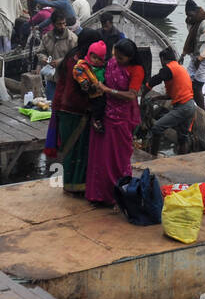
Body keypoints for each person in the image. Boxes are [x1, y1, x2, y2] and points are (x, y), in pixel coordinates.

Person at [85, 38, 143, 206]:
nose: (117, 61)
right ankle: (99, 195)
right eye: (115, 56)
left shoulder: (136, 69)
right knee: (100, 157)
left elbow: (132, 95)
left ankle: (117, 193)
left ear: (130, 57)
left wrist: (108, 90)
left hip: (122, 118)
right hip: (105, 113)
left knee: (118, 159)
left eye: (121, 58)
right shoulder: (111, 63)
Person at [49, 28, 100, 194]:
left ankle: (73, 184)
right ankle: (74, 186)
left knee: (71, 148)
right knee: (75, 149)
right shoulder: (78, 64)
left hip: (64, 108)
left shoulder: (74, 56)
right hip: (73, 110)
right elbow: (73, 92)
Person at [143, 47, 200, 156]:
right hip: (190, 106)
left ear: (163, 59)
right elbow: (171, 95)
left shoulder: (169, 68)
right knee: (182, 138)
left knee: (157, 128)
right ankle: (181, 160)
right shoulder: (179, 68)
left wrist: (144, 93)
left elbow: (155, 80)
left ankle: (152, 157)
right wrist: (156, 98)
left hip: (183, 107)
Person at [181, 0, 205, 109]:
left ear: (196, 12)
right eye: (187, 14)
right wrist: (183, 55)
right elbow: (190, 40)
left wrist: (200, 59)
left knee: (197, 88)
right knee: (186, 83)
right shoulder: (190, 22)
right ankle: (190, 109)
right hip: (195, 56)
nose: (189, 17)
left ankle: (203, 113)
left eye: (190, 14)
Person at [39, 10, 78, 99]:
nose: (63, 26)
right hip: (51, 77)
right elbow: (41, 51)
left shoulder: (72, 38)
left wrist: (60, 61)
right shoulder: (47, 37)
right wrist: (45, 59)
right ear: (53, 24)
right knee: (50, 104)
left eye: (64, 23)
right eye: (59, 24)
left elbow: (75, 57)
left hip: (65, 78)